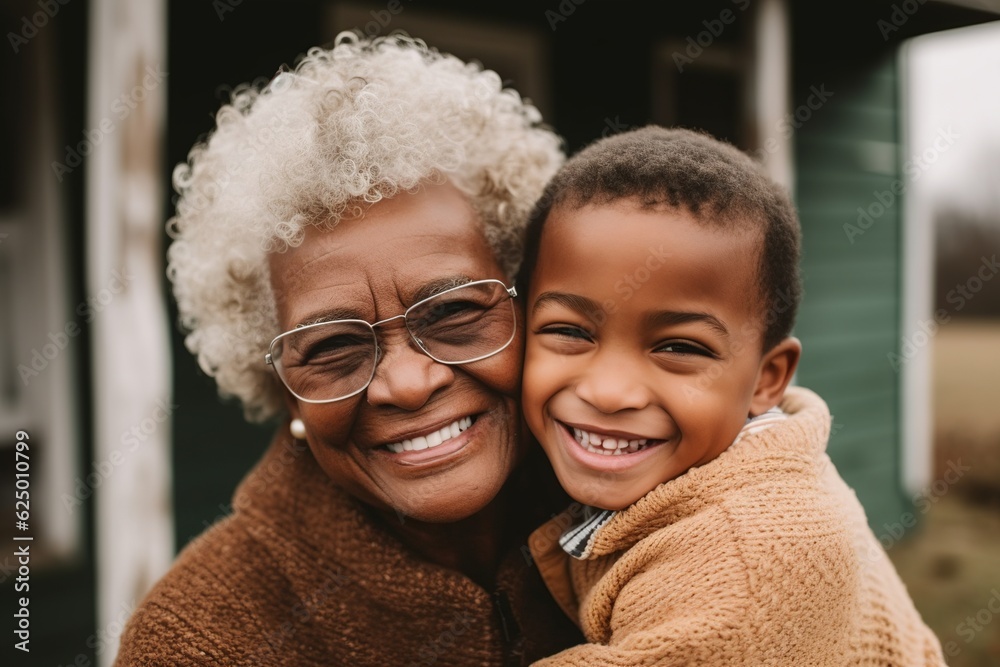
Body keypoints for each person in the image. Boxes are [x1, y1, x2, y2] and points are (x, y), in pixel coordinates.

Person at [115, 33, 584, 665]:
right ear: (282, 393)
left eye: (452, 312)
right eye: (334, 347)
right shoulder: (201, 639)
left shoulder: (659, 493)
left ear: (529, 306)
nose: (410, 383)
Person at [518, 126, 947, 665]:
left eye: (678, 346)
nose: (608, 392)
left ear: (767, 379)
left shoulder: (748, 568)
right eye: (570, 332)